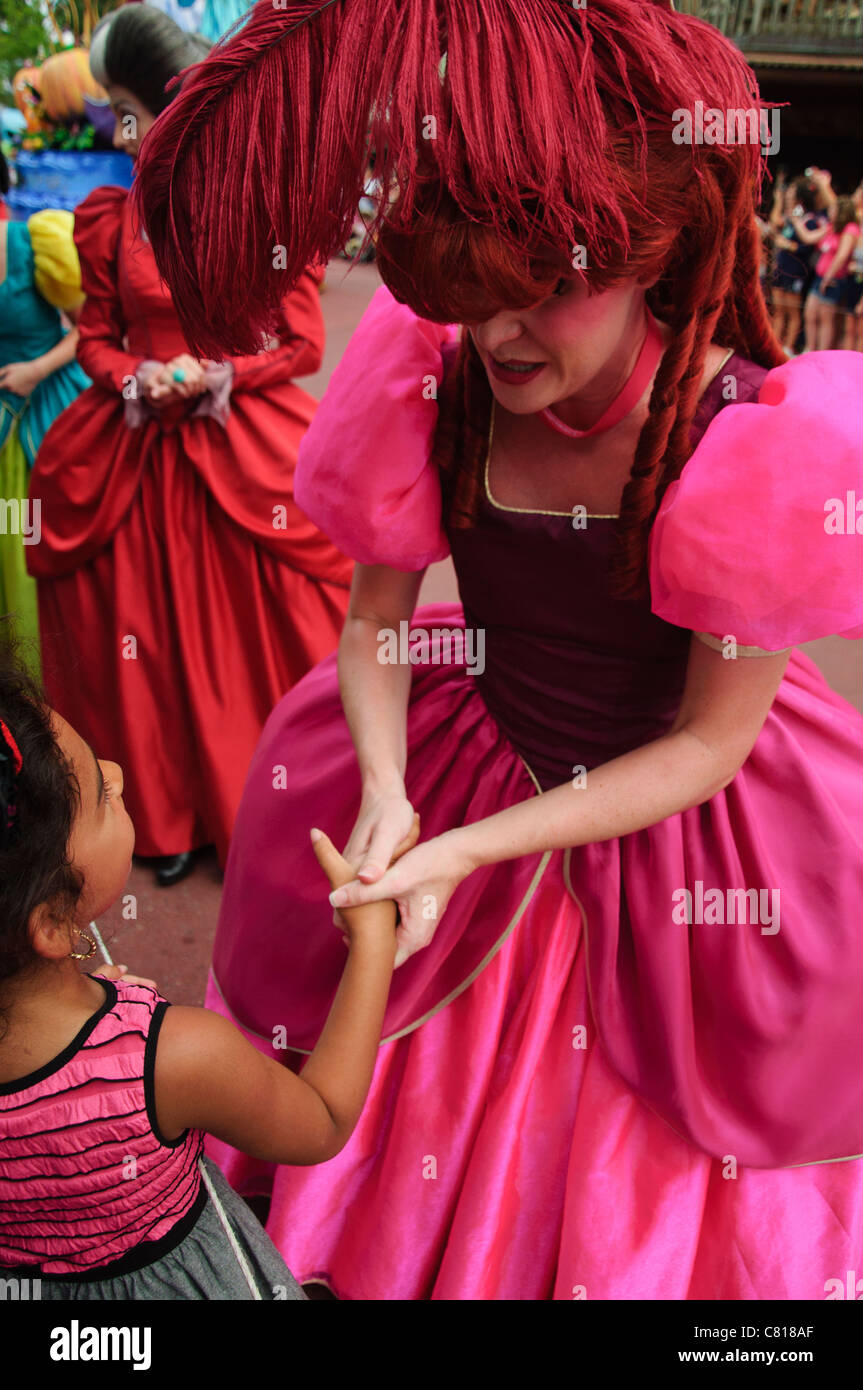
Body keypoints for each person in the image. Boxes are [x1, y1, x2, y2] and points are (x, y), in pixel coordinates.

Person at [136, 0, 863, 1301]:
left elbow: (706, 743)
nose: (499, 336)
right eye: (469, 299)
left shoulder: (740, 437)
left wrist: (467, 848)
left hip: (676, 816)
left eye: (548, 294)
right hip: (468, 749)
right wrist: (385, 788)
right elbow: (373, 621)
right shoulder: (439, 378)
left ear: (650, 253)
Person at [27, 4, 352, 889]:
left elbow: (302, 344)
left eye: (130, 112)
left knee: (252, 642)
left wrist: (214, 374)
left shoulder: (262, 212)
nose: (120, 132)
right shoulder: (110, 217)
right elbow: (96, 338)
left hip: (233, 449)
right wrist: (136, 376)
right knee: (139, 646)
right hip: (131, 451)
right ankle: (161, 818)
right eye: (116, 112)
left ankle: (259, 809)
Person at [0, 633, 416, 1298]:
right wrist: (371, 941)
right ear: (51, 923)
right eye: (101, 796)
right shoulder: (177, 1056)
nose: (117, 771)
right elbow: (322, 1120)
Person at [0, 149, 90, 680]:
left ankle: (49, 673)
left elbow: (91, 328)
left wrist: (36, 369)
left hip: (46, 416)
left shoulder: (35, 243)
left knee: (30, 536)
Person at [767, 174, 823, 354]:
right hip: (781, 269)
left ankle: (788, 348)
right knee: (778, 309)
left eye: (792, 193)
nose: (789, 195)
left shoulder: (811, 220)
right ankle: (774, 344)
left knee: (792, 311)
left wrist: (788, 245)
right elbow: (775, 222)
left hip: (796, 271)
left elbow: (807, 247)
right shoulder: (791, 217)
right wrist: (779, 200)